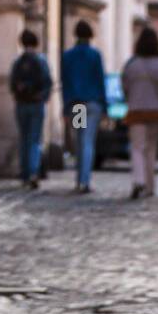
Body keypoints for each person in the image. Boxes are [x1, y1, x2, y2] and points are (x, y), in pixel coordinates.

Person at [121, 26, 158, 199]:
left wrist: (131, 98)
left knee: (137, 147)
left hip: (136, 111)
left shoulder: (132, 65)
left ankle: (138, 180)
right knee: (151, 149)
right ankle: (150, 186)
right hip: (156, 111)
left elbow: (125, 86)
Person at [62, 21, 107, 194]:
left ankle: (79, 179)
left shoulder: (68, 56)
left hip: (77, 104)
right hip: (93, 103)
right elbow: (100, 81)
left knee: (79, 142)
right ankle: (85, 181)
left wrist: (66, 108)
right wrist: (105, 107)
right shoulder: (95, 55)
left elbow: (65, 83)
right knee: (88, 141)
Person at [10, 29, 52, 189]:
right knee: (34, 139)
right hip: (37, 104)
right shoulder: (41, 60)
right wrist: (43, 97)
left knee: (24, 138)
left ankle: (24, 173)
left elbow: (12, 84)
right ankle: (34, 172)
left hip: (22, 104)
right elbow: (48, 81)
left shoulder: (18, 62)